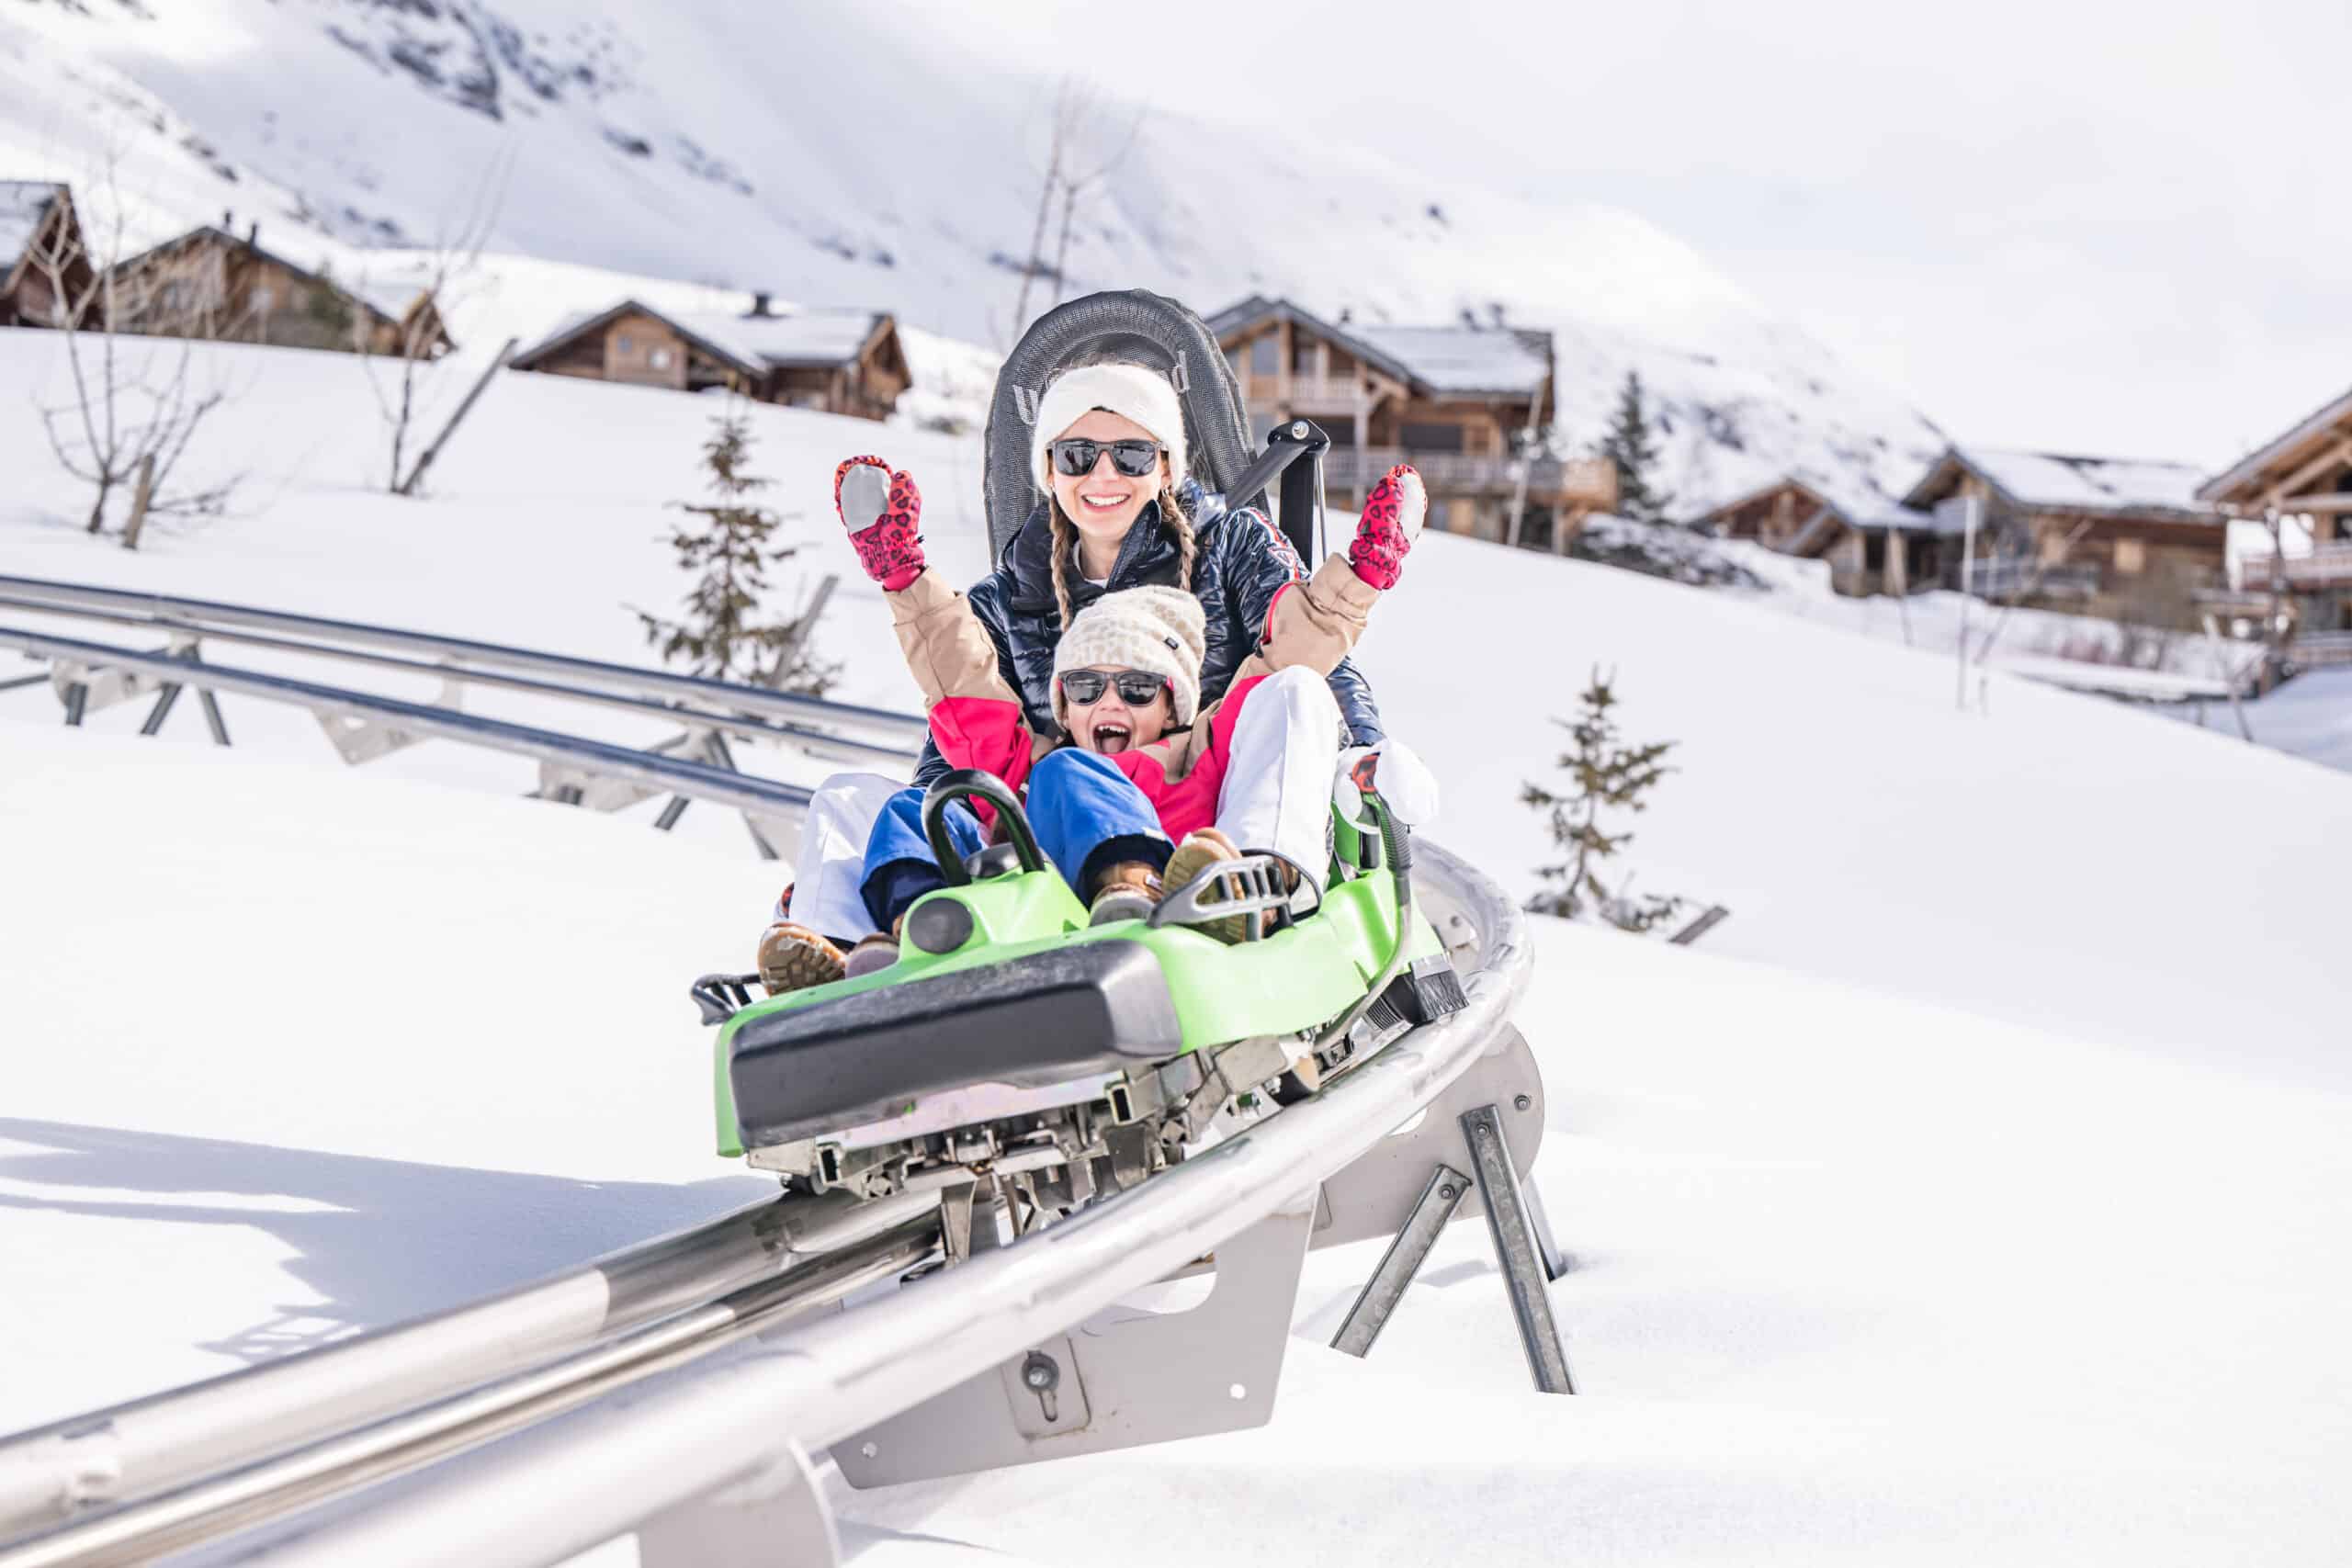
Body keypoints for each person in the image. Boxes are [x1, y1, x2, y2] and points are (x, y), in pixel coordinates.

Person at [753, 443, 1433, 991]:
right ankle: (853, 948)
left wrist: (1363, 576)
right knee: (867, 798)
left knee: (1294, 689)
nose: (1108, 702)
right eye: (1084, 687)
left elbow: (1293, 656)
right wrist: (903, 577)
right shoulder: (1038, 766)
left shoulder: (1201, 755)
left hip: (1184, 898)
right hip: (1021, 924)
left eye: (1136, 687)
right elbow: (964, 683)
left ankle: (1248, 882)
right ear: (1061, 704)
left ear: (1173, 705)